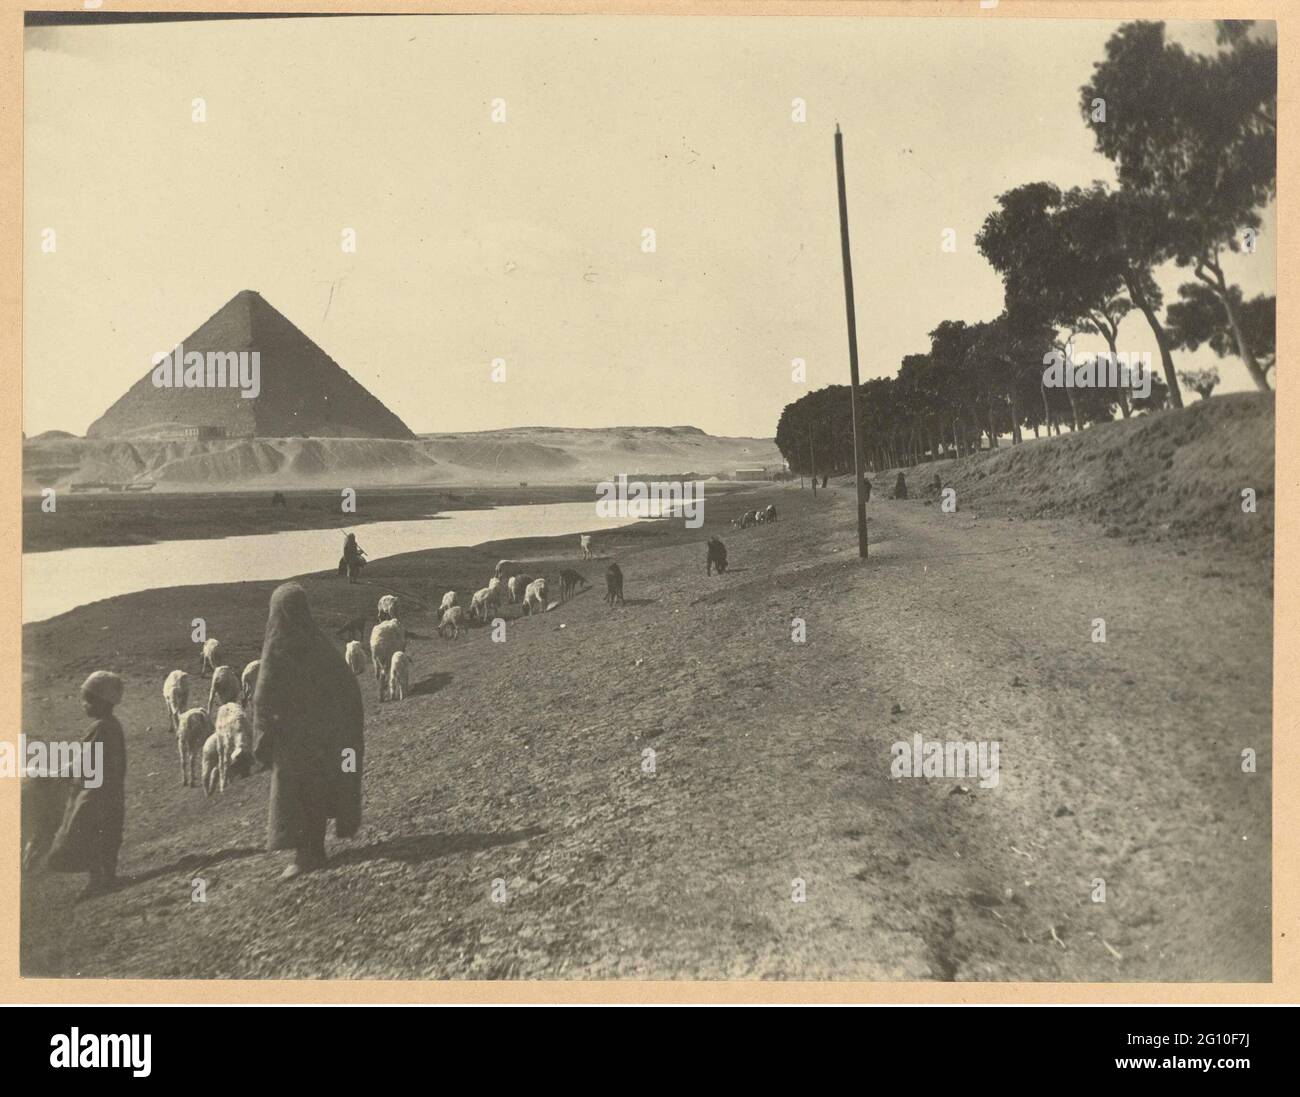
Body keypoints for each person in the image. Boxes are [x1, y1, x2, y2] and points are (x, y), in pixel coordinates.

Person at [253, 583, 364, 880]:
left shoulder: (278, 644)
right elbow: (347, 687)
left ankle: (306, 856)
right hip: (323, 739)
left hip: (295, 742)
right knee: (316, 791)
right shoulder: (319, 644)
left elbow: (264, 694)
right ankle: (315, 850)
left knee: (295, 794)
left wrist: (264, 735)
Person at [46, 671, 127, 899]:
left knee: (87, 833)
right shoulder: (111, 725)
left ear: (102, 702)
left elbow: (87, 761)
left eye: (87, 700)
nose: (83, 705)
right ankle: (107, 876)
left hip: (94, 794)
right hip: (111, 792)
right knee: (109, 834)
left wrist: (62, 774)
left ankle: (97, 881)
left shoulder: (100, 728)